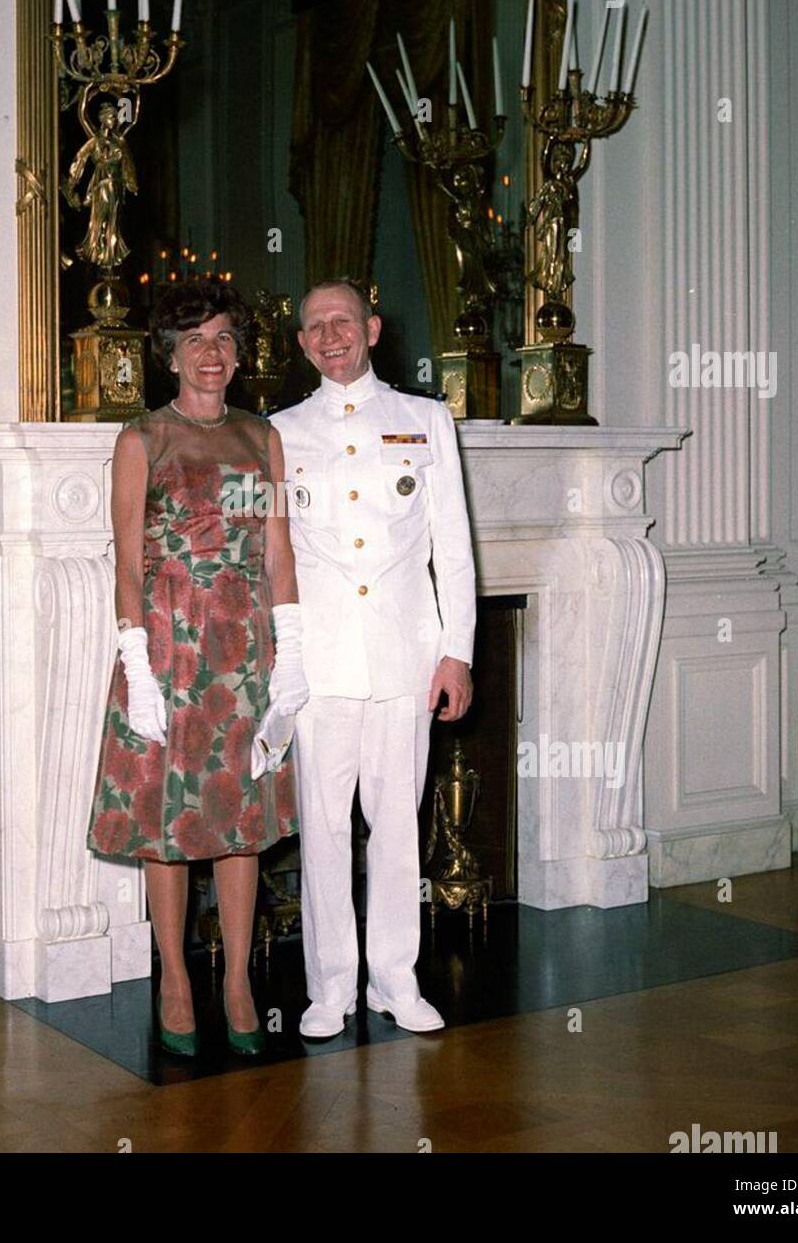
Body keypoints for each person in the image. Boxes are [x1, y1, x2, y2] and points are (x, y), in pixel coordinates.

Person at [86, 280, 309, 1057]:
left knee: (242, 821)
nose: (211, 353)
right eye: (194, 341)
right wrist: (135, 667)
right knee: (169, 822)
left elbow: (278, 550)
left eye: (223, 338)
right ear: (171, 355)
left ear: (239, 352)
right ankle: (176, 977)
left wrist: (292, 656)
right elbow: (125, 562)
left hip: (246, 648)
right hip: (171, 648)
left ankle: (239, 980)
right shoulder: (141, 438)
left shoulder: (263, 437)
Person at [270, 278, 476, 1037]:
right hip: (321, 666)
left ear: (373, 328)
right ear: (302, 343)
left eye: (343, 322)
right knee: (323, 829)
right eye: (315, 326)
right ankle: (331, 989)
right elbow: (274, 557)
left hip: (404, 660)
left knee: (396, 826)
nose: (331, 336)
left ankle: (396, 980)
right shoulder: (280, 432)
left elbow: (453, 547)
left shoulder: (425, 420)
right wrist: (281, 659)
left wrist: (457, 653)